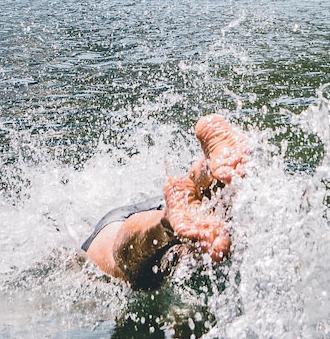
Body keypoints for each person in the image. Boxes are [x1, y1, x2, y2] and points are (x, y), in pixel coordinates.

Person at [81, 114, 248, 289]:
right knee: (217, 206)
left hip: (162, 213)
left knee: (132, 271)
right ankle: (206, 170)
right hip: (150, 215)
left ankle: (171, 218)